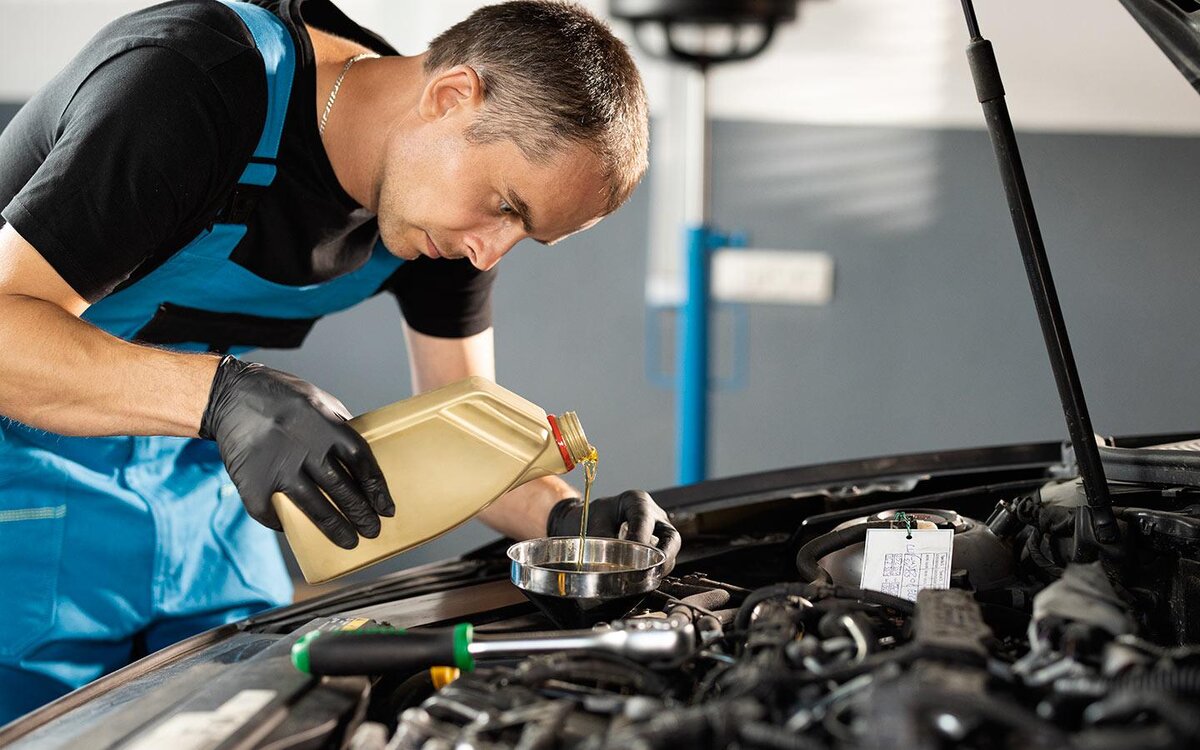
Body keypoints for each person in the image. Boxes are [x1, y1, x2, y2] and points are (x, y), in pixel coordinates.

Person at [0, 0, 680, 721]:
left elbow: (462, 430)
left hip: (198, 494)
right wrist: (223, 397)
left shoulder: (442, 211)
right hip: (23, 494)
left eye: (525, 234)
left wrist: (571, 525)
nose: (490, 252)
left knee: (268, 721)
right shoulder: (195, 86)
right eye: (506, 206)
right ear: (451, 97)